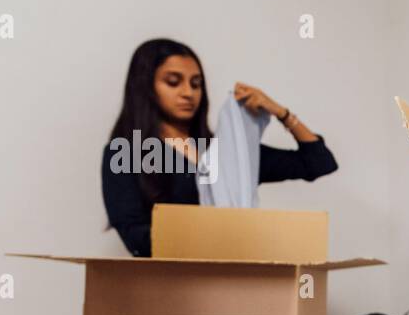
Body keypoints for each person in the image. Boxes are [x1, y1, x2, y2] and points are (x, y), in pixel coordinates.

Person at [102, 38, 337, 256]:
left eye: (196, 84)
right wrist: (217, 237)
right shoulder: (127, 153)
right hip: (167, 285)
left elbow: (318, 162)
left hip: (232, 281)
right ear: (145, 87)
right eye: (173, 82)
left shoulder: (226, 154)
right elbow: (135, 237)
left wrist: (280, 112)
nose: (188, 93)